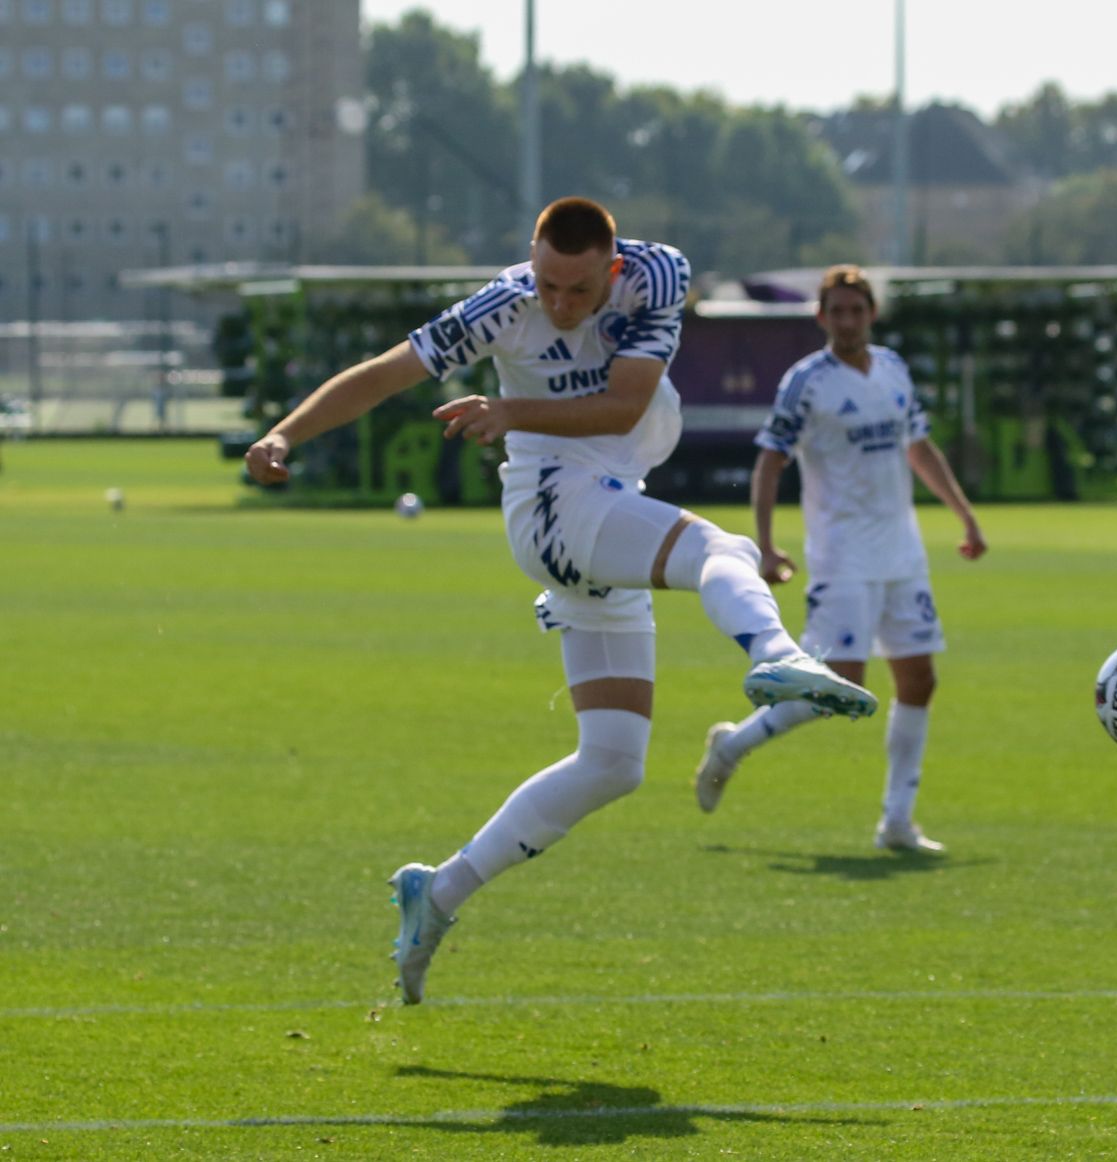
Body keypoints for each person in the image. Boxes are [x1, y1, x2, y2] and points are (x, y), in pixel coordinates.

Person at [243, 197, 876, 1005]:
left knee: (612, 762)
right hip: (552, 503)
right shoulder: (504, 303)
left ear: (612, 269)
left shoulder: (655, 274)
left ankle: (434, 897)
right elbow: (385, 372)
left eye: (578, 291)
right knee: (724, 550)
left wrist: (508, 410)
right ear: (530, 261)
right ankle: (777, 656)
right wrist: (284, 435)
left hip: (603, 496)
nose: (559, 304)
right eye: (547, 283)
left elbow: (622, 405)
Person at [692, 264, 986, 853]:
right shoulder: (806, 383)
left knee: (919, 680)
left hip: (901, 552)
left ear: (871, 314)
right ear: (821, 317)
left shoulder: (894, 370)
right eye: (837, 311)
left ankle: (897, 821)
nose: (848, 320)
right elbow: (770, 460)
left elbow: (918, 446)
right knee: (839, 685)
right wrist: (768, 543)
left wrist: (964, 514)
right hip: (842, 554)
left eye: (857, 310)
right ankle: (732, 746)